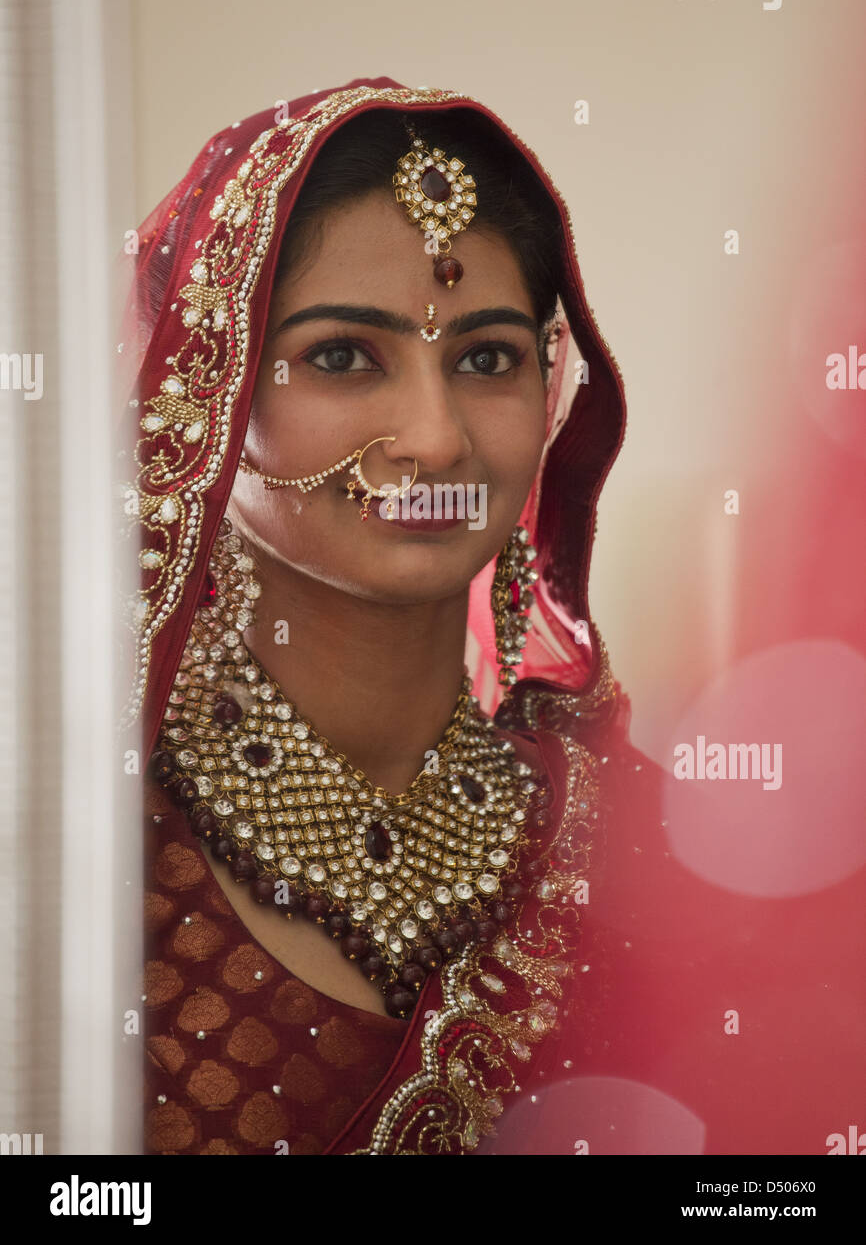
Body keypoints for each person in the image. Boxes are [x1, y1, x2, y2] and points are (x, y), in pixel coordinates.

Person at [118, 77, 860, 1157]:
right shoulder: (78, 849)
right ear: (209, 381)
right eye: (341, 356)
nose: (434, 436)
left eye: (484, 358)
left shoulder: (637, 849)